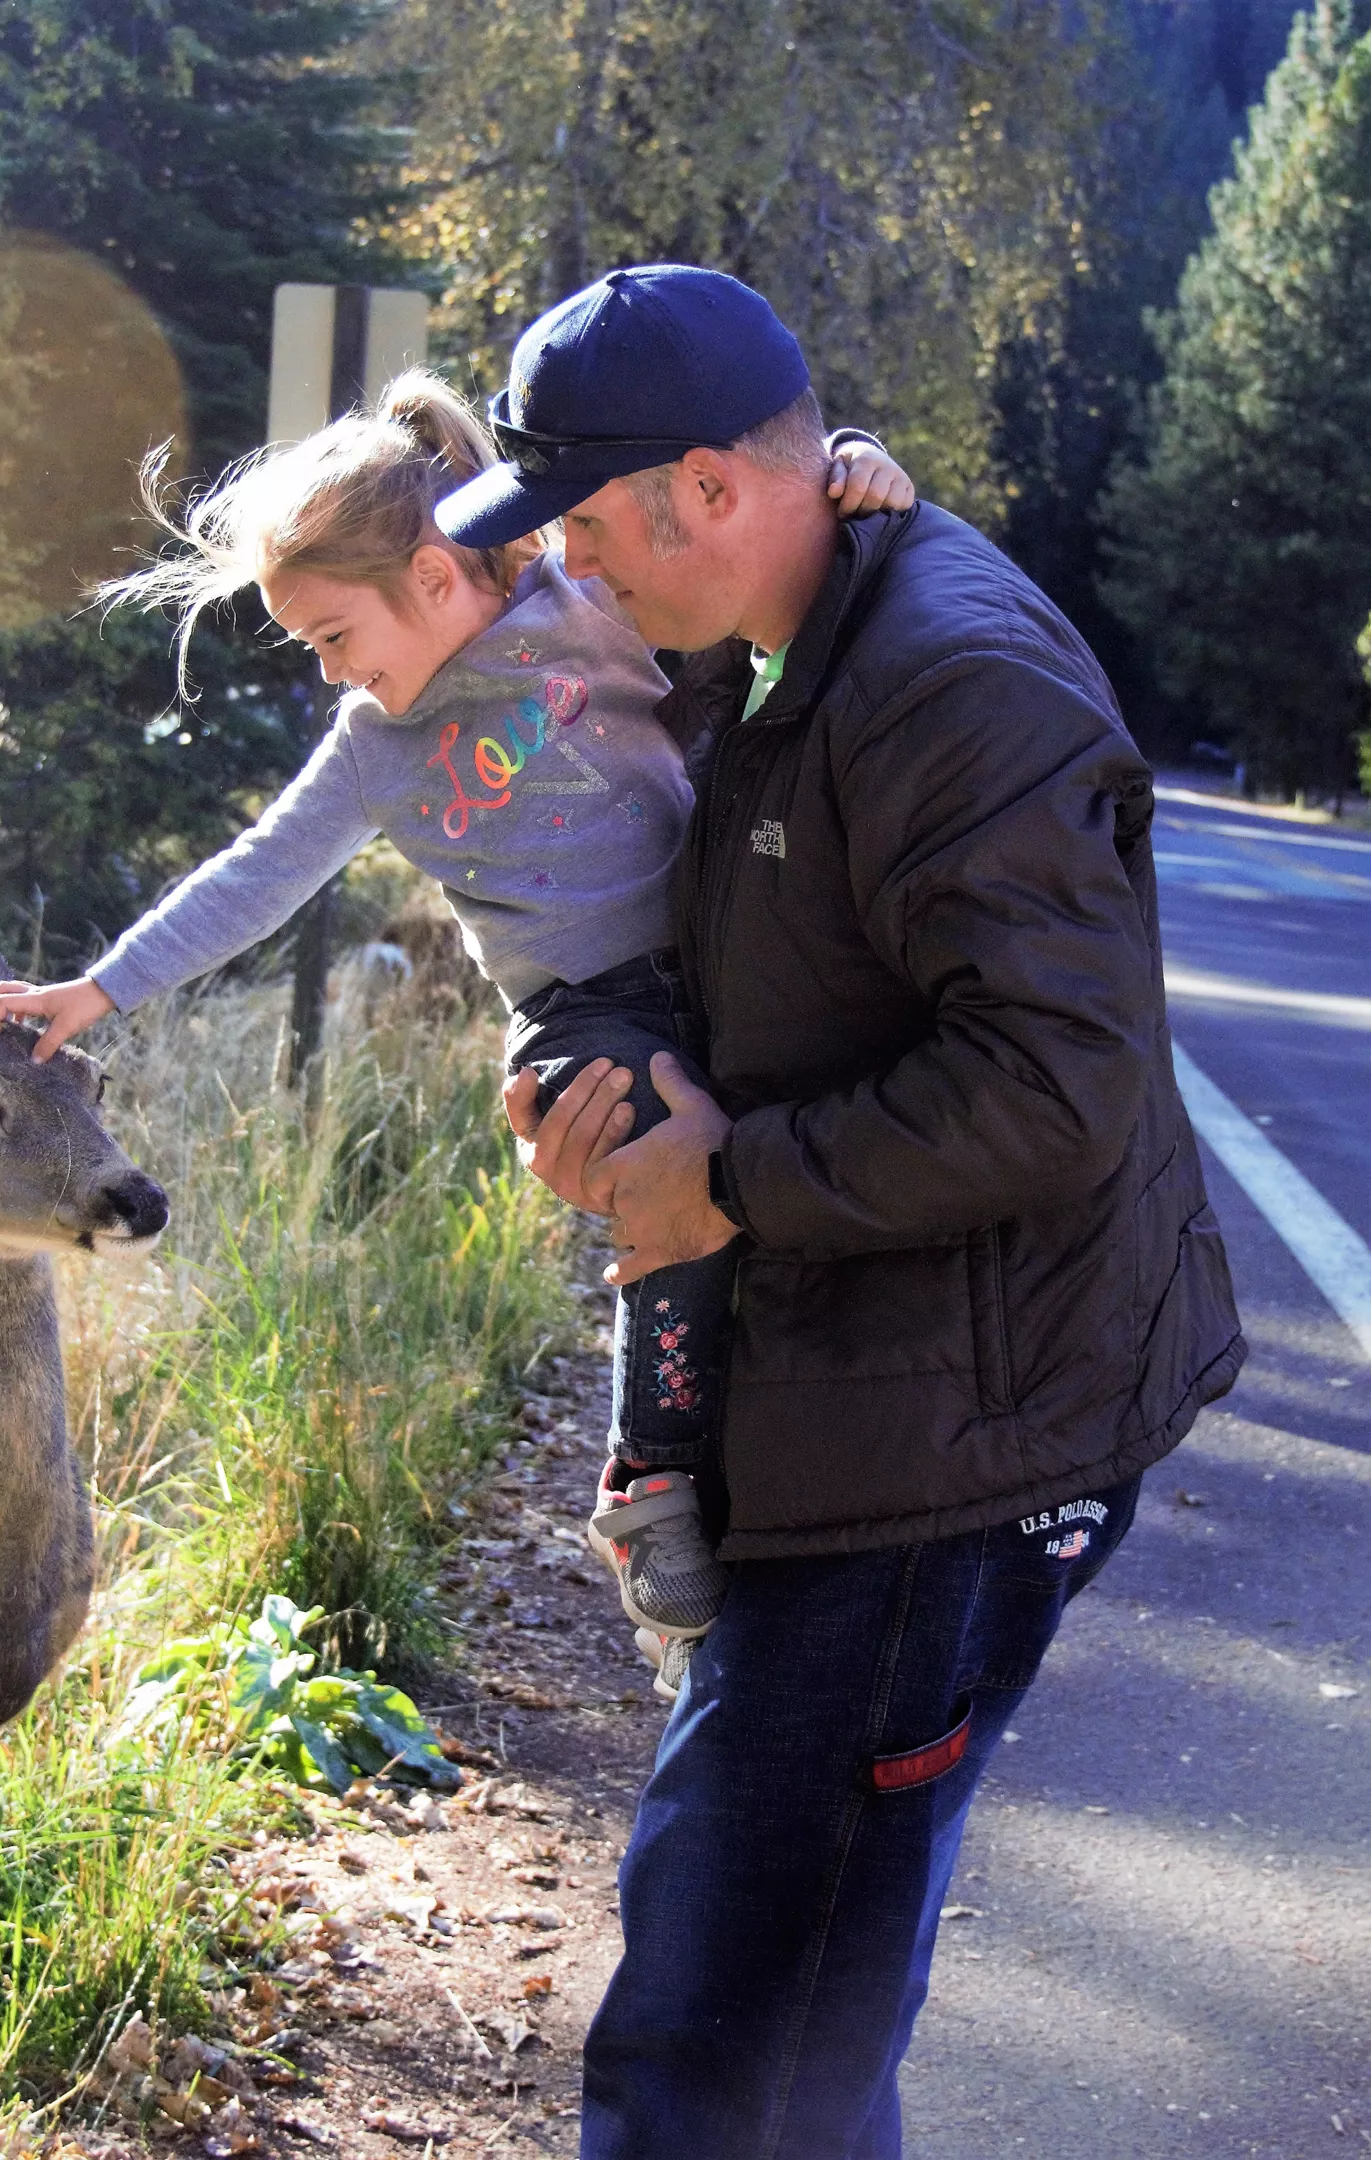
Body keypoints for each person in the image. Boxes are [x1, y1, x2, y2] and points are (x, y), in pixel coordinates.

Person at [435, 262, 1247, 2160]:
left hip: (953, 1450)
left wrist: (719, 1182)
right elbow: (762, 956)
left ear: (711, 489)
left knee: (730, 2035)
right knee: (780, 2011)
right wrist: (615, 1096)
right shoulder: (782, 624)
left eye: (581, 522)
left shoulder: (949, 685)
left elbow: (1054, 1089)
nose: (560, 564)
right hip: (876, 1399)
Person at [0, 370, 912, 1654]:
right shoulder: (373, 746)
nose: (330, 672)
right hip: (583, 1011)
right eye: (311, 650)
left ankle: (802, 1458)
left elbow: (734, 553)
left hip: (719, 956)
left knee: (776, 1172)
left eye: (331, 635)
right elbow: (256, 874)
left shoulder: (584, 600)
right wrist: (100, 987)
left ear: (430, 576)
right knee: (662, 1165)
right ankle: (650, 1478)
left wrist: (852, 464)